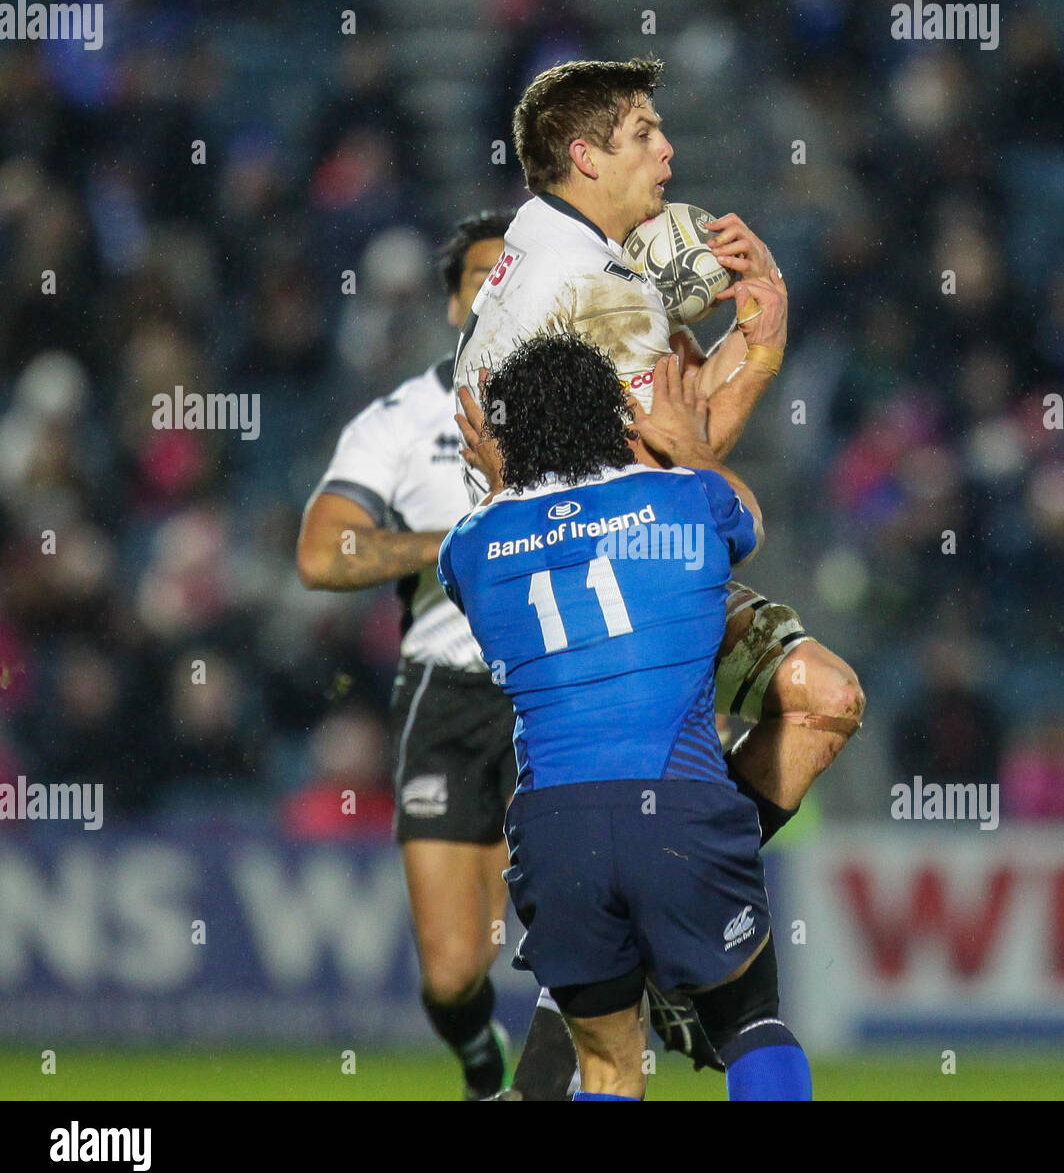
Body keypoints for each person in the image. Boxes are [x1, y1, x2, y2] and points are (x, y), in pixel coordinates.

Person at [454, 54, 863, 1074]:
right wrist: (757, 343)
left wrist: (726, 339)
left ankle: (625, 950)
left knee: (815, 693)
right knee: (820, 698)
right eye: (641, 132)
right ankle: (678, 939)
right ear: (583, 155)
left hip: (532, 585)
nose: (668, 149)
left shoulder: (536, 262)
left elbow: (646, 443)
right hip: (620, 575)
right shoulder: (595, 289)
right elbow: (688, 458)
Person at [440, 331, 813, 1101]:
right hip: (676, 806)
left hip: (554, 828)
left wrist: (506, 482)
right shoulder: (682, 497)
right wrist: (684, 443)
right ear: (620, 420)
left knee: (608, 1068)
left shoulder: (471, 546)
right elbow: (747, 521)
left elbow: (507, 550)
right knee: (749, 1019)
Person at [296, 210, 517, 1100]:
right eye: (481, 278)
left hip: (557, 690)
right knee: (453, 973)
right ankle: (480, 1064)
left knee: (566, 946)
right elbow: (321, 554)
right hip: (446, 694)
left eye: (518, 277)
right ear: (453, 300)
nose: (499, 293)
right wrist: (455, 543)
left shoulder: (598, 409)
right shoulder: (398, 421)